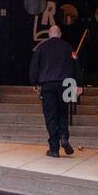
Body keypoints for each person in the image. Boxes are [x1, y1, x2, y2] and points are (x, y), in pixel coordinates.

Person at [29, 24, 76, 157]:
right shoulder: (68, 47)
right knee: (63, 112)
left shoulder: (41, 47)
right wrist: (78, 84)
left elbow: (34, 65)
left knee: (50, 116)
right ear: (60, 34)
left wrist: (34, 82)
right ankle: (64, 136)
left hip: (47, 84)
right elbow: (75, 64)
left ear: (49, 34)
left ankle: (54, 148)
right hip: (66, 84)